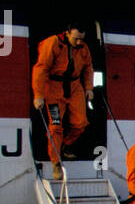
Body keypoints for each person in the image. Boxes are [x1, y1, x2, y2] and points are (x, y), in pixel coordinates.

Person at [31, 23, 94, 180]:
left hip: (74, 87)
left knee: (81, 123)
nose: (79, 42)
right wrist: (38, 95)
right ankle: (56, 162)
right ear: (67, 33)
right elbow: (41, 69)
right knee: (55, 126)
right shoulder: (53, 43)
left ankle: (65, 145)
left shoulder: (84, 48)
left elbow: (88, 68)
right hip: (53, 88)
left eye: (82, 39)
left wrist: (89, 88)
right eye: (76, 38)